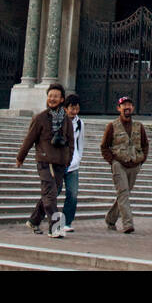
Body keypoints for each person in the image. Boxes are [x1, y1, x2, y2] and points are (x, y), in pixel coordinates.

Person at [14, 82, 73, 238]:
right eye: (50, 96)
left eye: (56, 96)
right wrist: (21, 157)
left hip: (60, 162)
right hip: (45, 161)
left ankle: (34, 220)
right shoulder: (40, 118)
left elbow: (71, 141)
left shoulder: (66, 119)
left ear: (62, 99)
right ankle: (54, 228)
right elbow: (29, 139)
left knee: (50, 194)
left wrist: (69, 158)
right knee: (50, 195)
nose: (52, 99)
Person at [99, 95, 148, 234]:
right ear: (118, 108)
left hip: (134, 165)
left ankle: (110, 218)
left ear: (132, 108)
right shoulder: (112, 126)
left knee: (124, 194)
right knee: (123, 193)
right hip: (119, 164)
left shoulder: (139, 126)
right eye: (124, 105)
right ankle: (128, 224)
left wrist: (141, 159)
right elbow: (104, 146)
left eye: (129, 105)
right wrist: (112, 161)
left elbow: (145, 144)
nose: (127, 107)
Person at [62, 94, 83, 233]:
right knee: (52, 193)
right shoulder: (58, 121)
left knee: (73, 194)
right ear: (65, 108)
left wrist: (77, 159)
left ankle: (66, 222)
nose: (74, 112)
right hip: (58, 162)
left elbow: (80, 143)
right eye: (71, 108)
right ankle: (38, 218)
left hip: (73, 164)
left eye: (76, 109)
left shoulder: (80, 123)